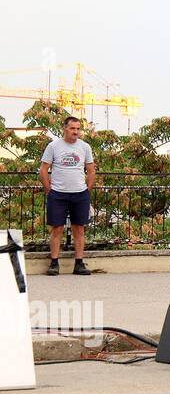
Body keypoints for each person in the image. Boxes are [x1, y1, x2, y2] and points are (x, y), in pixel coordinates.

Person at [39, 117, 95, 276]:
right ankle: (54, 263)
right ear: (65, 128)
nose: (76, 132)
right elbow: (43, 170)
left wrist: (86, 191)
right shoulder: (53, 146)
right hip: (58, 194)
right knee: (57, 229)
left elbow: (91, 170)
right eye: (72, 128)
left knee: (79, 229)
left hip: (80, 194)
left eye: (78, 129)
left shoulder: (85, 147)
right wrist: (49, 190)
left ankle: (79, 264)